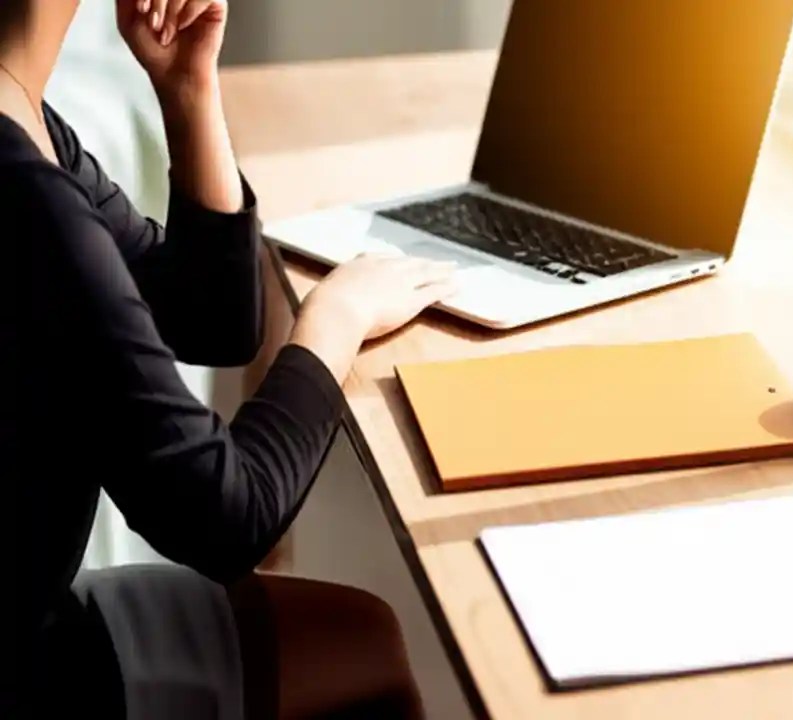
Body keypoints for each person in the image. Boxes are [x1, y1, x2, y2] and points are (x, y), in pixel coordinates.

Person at [0, 1, 457, 717]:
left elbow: (209, 321)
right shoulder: (26, 194)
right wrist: (335, 320)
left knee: (364, 640)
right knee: (363, 662)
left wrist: (188, 88)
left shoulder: (23, 117)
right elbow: (226, 516)